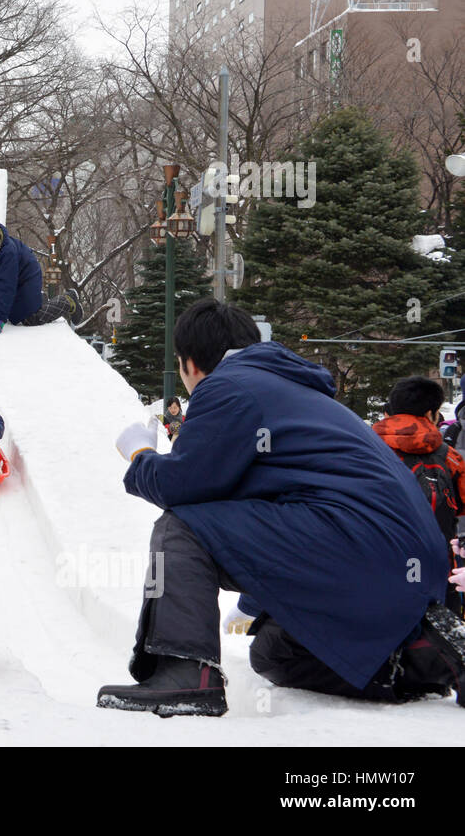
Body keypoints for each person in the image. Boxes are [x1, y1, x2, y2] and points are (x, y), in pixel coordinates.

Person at [99, 299, 465, 717]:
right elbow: (261, 518)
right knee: (274, 652)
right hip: (399, 564)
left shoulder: (228, 385)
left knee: (181, 525)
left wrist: (140, 454)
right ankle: (412, 658)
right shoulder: (296, 392)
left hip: (354, 542)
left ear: (190, 364)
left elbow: (182, 487)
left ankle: (186, 673)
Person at [373, 376, 465, 617]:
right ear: (432, 413)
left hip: (375, 571)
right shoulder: (451, 457)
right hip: (438, 573)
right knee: (442, 648)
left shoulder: (364, 450)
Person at [0, 219, 80, 335]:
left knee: (28, 319)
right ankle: (38, 299)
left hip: (26, 276)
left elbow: (5, 287)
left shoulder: (6, 251)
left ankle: (67, 301)